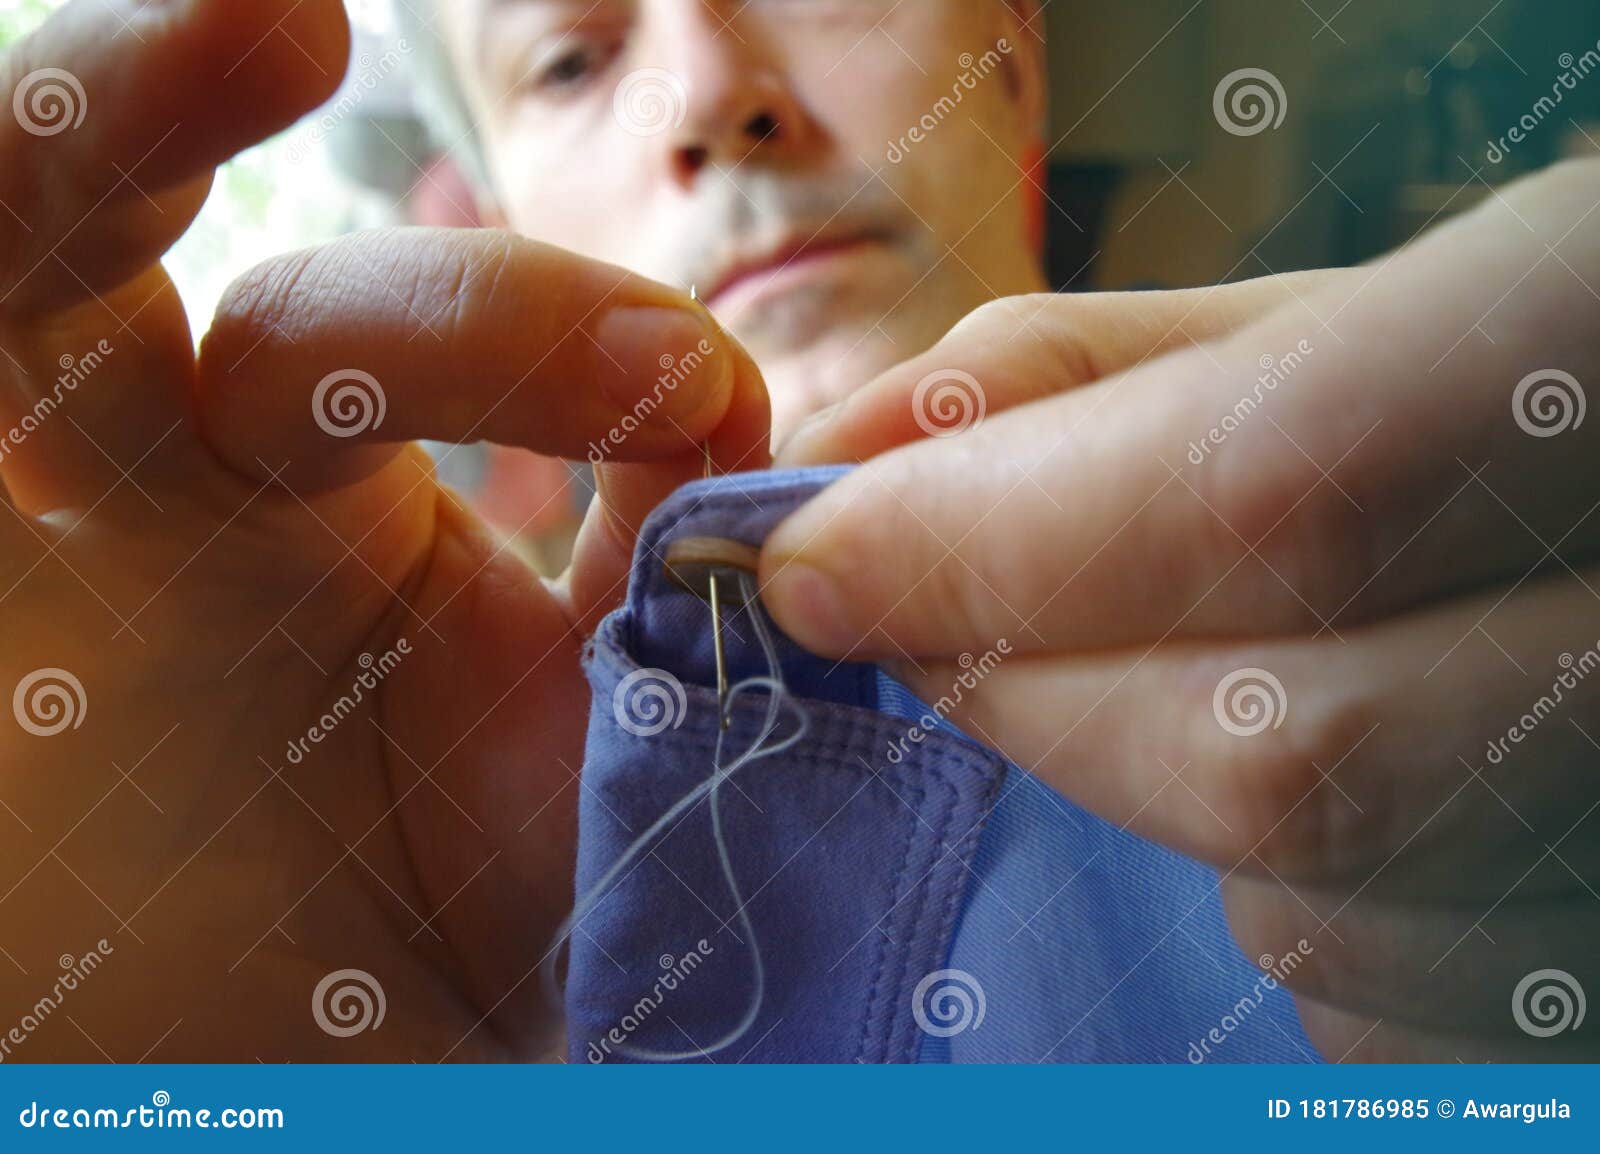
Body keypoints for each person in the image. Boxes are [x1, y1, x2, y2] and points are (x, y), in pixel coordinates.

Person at [0, 0, 1593, 1062]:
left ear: (1016, 54)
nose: (710, 96)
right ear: (486, 221)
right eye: (568, 59)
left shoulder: (1518, 505)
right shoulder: (387, 847)